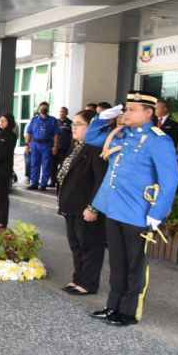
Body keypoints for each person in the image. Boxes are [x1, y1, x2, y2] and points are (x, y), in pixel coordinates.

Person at [89, 94, 178, 327]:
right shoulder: (123, 135)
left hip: (138, 213)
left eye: (132, 110)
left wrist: (156, 214)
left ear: (148, 113)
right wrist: (102, 117)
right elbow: (91, 137)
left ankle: (129, 312)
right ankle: (113, 306)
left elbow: (170, 180)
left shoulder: (158, 141)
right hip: (115, 209)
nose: (125, 114)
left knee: (134, 264)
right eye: (125, 110)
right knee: (118, 262)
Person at [57, 109, 107, 296]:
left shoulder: (96, 149)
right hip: (71, 204)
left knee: (90, 246)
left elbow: (100, 181)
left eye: (78, 124)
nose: (73, 128)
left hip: (86, 206)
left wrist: (93, 207)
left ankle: (88, 283)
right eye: (73, 124)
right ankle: (78, 278)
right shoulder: (76, 146)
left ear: (91, 127)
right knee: (76, 244)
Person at [24, 101, 59, 191]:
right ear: (39, 109)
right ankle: (34, 183)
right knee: (34, 164)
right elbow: (29, 132)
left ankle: (43, 184)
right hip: (35, 144)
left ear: (47, 109)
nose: (43, 109)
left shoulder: (53, 120)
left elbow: (56, 135)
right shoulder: (34, 119)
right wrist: (27, 145)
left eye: (45, 107)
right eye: (42, 107)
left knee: (46, 165)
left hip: (47, 145)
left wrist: (55, 146)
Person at [50, 106, 72, 188]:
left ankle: (60, 181)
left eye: (63, 111)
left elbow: (72, 136)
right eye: (60, 111)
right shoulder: (55, 122)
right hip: (55, 147)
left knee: (63, 165)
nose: (61, 113)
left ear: (67, 113)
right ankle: (52, 181)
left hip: (65, 148)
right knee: (53, 165)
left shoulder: (70, 123)